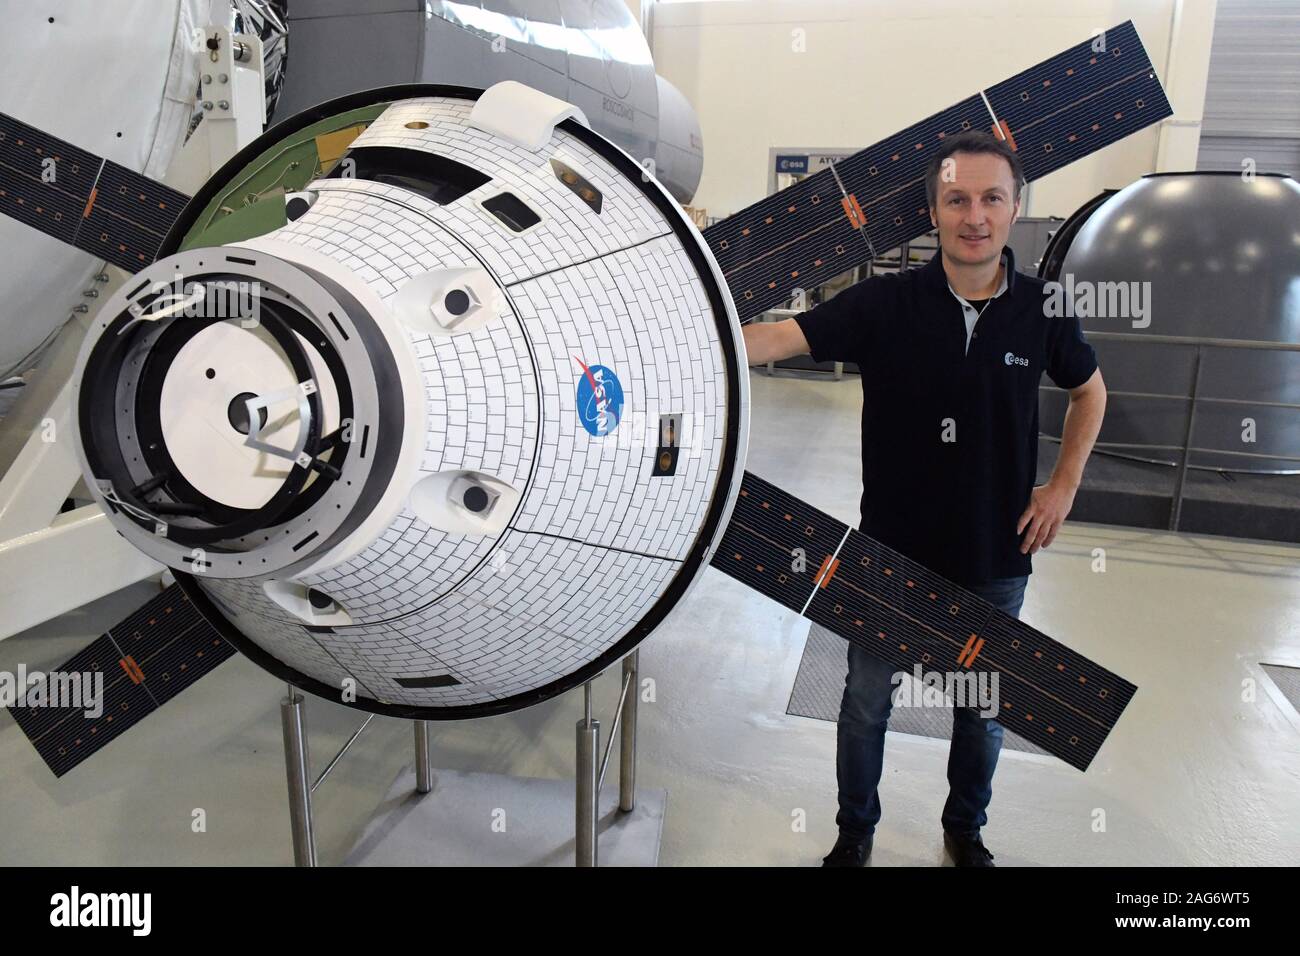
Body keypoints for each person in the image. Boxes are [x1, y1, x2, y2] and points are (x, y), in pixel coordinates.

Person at [741, 131, 1107, 867]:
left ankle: (965, 833)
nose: (975, 216)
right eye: (957, 200)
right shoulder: (885, 303)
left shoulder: (1044, 308)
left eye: (991, 199)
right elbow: (776, 339)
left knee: (981, 713)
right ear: (934, 212)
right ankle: (855, 835)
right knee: (865, 705)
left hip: (997, 551)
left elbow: (1089, 391)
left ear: (1014, 208)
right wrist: (678, 335)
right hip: (890, 552)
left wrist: (1062, 485)